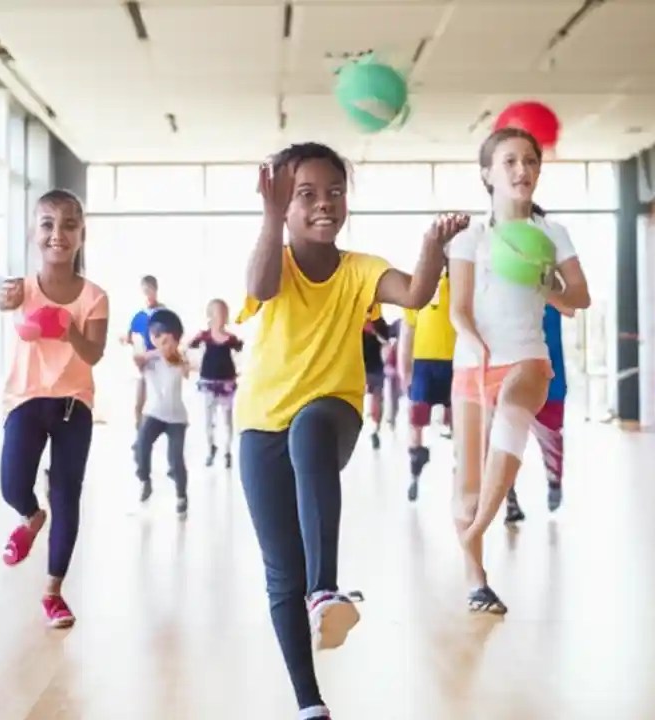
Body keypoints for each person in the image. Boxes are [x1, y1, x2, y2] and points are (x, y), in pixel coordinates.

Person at [238, 141, 468, 720]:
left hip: (331, 409)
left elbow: (415, 293)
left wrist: (433, 246)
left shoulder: (361, 268)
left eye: (334, 193)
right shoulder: (274, 258)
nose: (323, 205)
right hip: (260, 424)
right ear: (283, 205)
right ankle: (310, 704)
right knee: (279, 571)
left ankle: (326, 589)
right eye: (305, 195)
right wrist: (268, 220)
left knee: (311, 431)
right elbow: (263, 287)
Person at [447, 127, 591, 614]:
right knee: (466, 483)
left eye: (529, 161)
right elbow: (459, 309)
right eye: (509, 161)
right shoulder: (470, 237)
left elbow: (580, 299)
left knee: (512, 410)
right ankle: (477, 580)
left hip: (528, 355)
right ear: (488, 174)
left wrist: (546, 284)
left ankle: (479, 526)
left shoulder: (553, 234)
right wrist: (472, 343)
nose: (521, 170)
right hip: (473, 364)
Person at [0, 189, 109, 629]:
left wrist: (67, 330)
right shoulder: (22, 288)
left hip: (73, 405)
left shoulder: (95, 297)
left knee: (67, 495)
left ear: (82, 234)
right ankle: (29, 516)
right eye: (47, 224)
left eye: (68, 225)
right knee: (11, 484)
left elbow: (95, 353)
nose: (57, 234)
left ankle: (53, 592)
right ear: (33, 233)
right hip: (26, 398)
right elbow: (4, 300)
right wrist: (6, 301)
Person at [505, 302, 574, 521]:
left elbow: (571, 307)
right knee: (509, 442)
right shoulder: (507, 295)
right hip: (515, 379)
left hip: (551, 379)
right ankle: (510, 498)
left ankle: (554, 480)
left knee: (551, 437)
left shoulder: (550, 292)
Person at [399, 271, 456, 501]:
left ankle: (462, 472)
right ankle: (415, 468)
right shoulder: (417, 288)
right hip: (423, 365)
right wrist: (406, 371)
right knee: (417, 420)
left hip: (456, 361)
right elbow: (408, 332)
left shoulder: (461, 283)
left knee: (459, 422)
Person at [135, 309, 190, 515]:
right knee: (142, 444)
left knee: (175, 458)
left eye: (171, 340)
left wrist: (172, 352)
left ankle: (181, 496)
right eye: (161, 339)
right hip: (154, 414)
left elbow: (187, 368)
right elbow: (137, 359)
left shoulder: (180, 360)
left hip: (177, 418)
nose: (167, 345)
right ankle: (145, 480)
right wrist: (159, 350)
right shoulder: (150, 361)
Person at [188, 299, 243, 468]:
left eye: (223, 314)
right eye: (217, 314)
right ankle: (211, 447)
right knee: (208, 419)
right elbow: (189, 347)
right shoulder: (204, 336)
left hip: (226, 381)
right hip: (209, 381)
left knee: (227, 419)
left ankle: (227, 451)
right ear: (210, 316)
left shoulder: (231, 339)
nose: (220, 317)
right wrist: (192, 365)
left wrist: (238, 370)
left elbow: (241, 352)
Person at [123, 275, 163, 437]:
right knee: (139, 402)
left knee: (158, 402)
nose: (147, 294)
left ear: (155, 290)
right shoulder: (139, 316)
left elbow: (171, 340)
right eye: (144, 291)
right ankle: (140, 435)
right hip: (143, 365)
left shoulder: (163, 313)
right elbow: (130, 338)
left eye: (150, 290)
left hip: (160, 363)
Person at [361, 309, 391, 448]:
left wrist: (373, 331)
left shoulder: (377, 320)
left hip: (375, 366)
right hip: (359, 367)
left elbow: (386, 338)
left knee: (377, 399)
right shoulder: (350, 317)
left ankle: (375, 429)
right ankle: (369, 426)